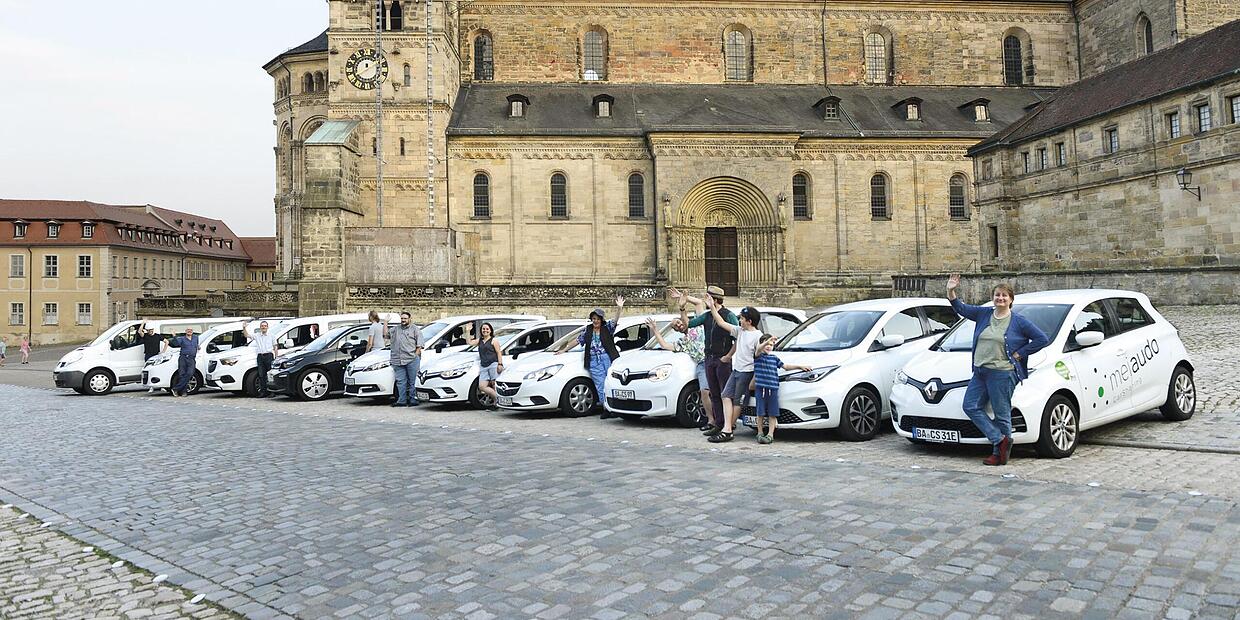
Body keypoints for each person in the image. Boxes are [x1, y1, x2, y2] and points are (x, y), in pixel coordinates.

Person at [947, 274, 1050, 466]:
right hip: (980, 372)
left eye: (1004, 296)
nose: (1000, 298)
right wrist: (951, 290)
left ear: (1011, 300)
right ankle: (999, 439)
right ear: (993, 298)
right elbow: (961, 308)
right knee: (970, 406)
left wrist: (1019, 354)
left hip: (1002, 373)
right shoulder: (984, 314)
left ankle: (999, 454)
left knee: (1001, 415)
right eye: (997, 295)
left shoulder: (1018, 321)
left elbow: (1041, 339)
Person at [647, 292, 710, 427]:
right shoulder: (682, 342)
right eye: (676, 326)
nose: (678, 325)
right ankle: (711, 420)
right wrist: (655, 330)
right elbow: (664, 345)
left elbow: (699, 303)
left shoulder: (698, 324)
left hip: (713, 360)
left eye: (678, 322)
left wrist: (684, 298)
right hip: (702, 364)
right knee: (704, 391)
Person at [704, 296, 762, 443]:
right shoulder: (740, 331)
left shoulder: (757, 336)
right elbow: (721, 322)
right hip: (737, 370)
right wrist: (712, 307)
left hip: (747, 373)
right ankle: (727, 426)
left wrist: (755, 377)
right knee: (725, 395)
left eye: (742, 318)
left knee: (738, 401)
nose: (739, 321)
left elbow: (760, 357)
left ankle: (728, 429)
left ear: (749, 321)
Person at [685, 286, 738, 436]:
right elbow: (689, 324)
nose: (706, 301)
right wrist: (682, 307)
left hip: (722, 360)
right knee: (714, 393)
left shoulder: (729, 316)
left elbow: (738, 338)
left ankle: (729, 425)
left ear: (715, 300)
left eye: (708, 298)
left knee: (724, 394)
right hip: (709, 358)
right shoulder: (707, 316)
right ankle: (718, 423)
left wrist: (728, 356)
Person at [561, 296, 624, 418]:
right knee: (600, 384)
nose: (595, 321)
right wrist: (563, 349)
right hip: (594, 360)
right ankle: (607, 408)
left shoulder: (607, 328)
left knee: (611, 382)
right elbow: (577, 341)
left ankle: (616, 407)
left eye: (597, 319)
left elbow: (615, 321)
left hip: (607, 358)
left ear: (601, 320)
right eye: (593, 319)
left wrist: (619, 308)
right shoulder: (588, 330)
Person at [749, 334, 811, 444]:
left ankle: (770, 434)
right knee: (760, 412)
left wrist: (800, 366)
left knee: (773, 413)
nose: (768, 346)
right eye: (766, 344)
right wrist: (767, 340)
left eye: (771, 345)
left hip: (773, 389)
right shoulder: (758, 356)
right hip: (761, 389)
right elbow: (758, 349)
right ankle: (759, 432)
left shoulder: (774, 358)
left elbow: (785, 366)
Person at [389, 311, 425, 407]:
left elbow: (420, 345)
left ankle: (413, 400)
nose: (403, 320)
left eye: (405, 318)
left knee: (413, 381)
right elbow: (385, 335)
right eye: (402, 318)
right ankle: (402, 401)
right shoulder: (396, 329)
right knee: (401, 381)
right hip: (398, 360)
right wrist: (385, 322)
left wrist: (415, 356)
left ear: (409, 319)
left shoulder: (415, 329)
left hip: (411, 359)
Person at [465, 322, 503, 411]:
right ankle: (499, 400)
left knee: (494, 384)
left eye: (487, 329)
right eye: (483, 329)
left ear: (490, 330)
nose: (485, 330)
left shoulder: (494, 341)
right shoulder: (480, 341)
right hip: (483, 366)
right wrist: (467, 331)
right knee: (482, 386)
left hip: (493, 364)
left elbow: (499, 353)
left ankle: (496, 404)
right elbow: (469, 342)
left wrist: (500, 364)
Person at [248, 320, 279, 398]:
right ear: (260, 327)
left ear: (267, 327)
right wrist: (244, 327)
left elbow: (275, 346)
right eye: (262, 326)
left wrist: (276, 356)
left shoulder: (272, 335)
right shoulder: (257, 335)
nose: (263, 327)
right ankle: (263, 392)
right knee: (261, 375)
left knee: (270, 375)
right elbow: (247, 335)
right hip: (260, 356)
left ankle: (272, 392)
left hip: (269, 355)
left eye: (265, 326)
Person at [167, 327, 199, 397]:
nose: (189, 331)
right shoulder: (182, 338)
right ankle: (183, 392)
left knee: (190, 373)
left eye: (191, 330)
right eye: (188, 330)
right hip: (183, 358)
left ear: (192, 331)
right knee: (182, 375)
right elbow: (176, 343)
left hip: (191, 358)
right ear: (185, 331)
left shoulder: (196, 338)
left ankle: (176, 388)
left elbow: (196, 345)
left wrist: (198, 347)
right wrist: (174, 335)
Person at [140, 326, 166, 393]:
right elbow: (140, 331)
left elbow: (167, 341)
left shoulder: (157, 336)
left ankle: (162, 386)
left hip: (156, 355)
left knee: (159, 371)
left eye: (151, 330)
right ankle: (151, 387)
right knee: (150, 371)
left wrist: (163, 351)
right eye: (148, 330)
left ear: (153, 329)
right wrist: (143, 322)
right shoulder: (145, 336)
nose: (150, 331)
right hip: (148, 355)